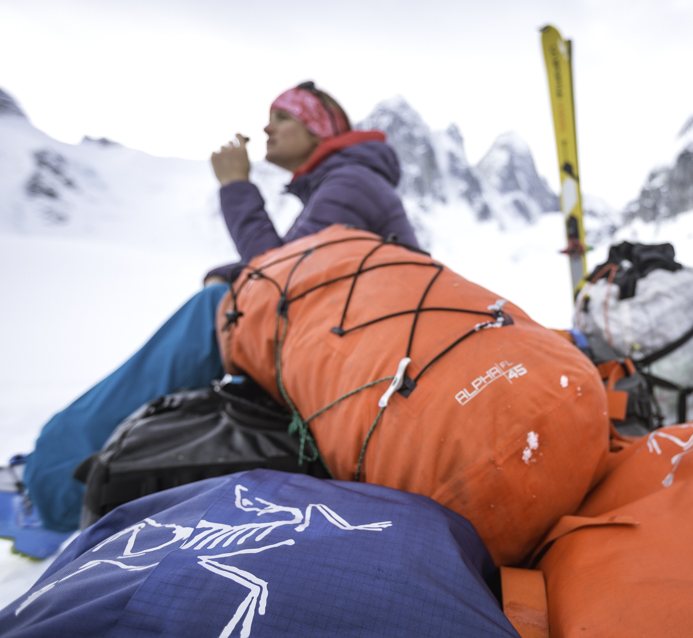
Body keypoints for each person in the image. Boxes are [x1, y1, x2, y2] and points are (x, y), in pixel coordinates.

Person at [0, 82, 418, 558]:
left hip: (354, 360)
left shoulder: (351, 183)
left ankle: (50, 485)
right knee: (220, 310)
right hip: (350, 352)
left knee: (209, 315)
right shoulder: (348, 184)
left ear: (316, 129)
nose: (267, 127)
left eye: (282, 117)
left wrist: (235, 186)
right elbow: (293, 271)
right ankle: (69, 474)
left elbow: (280, 280)